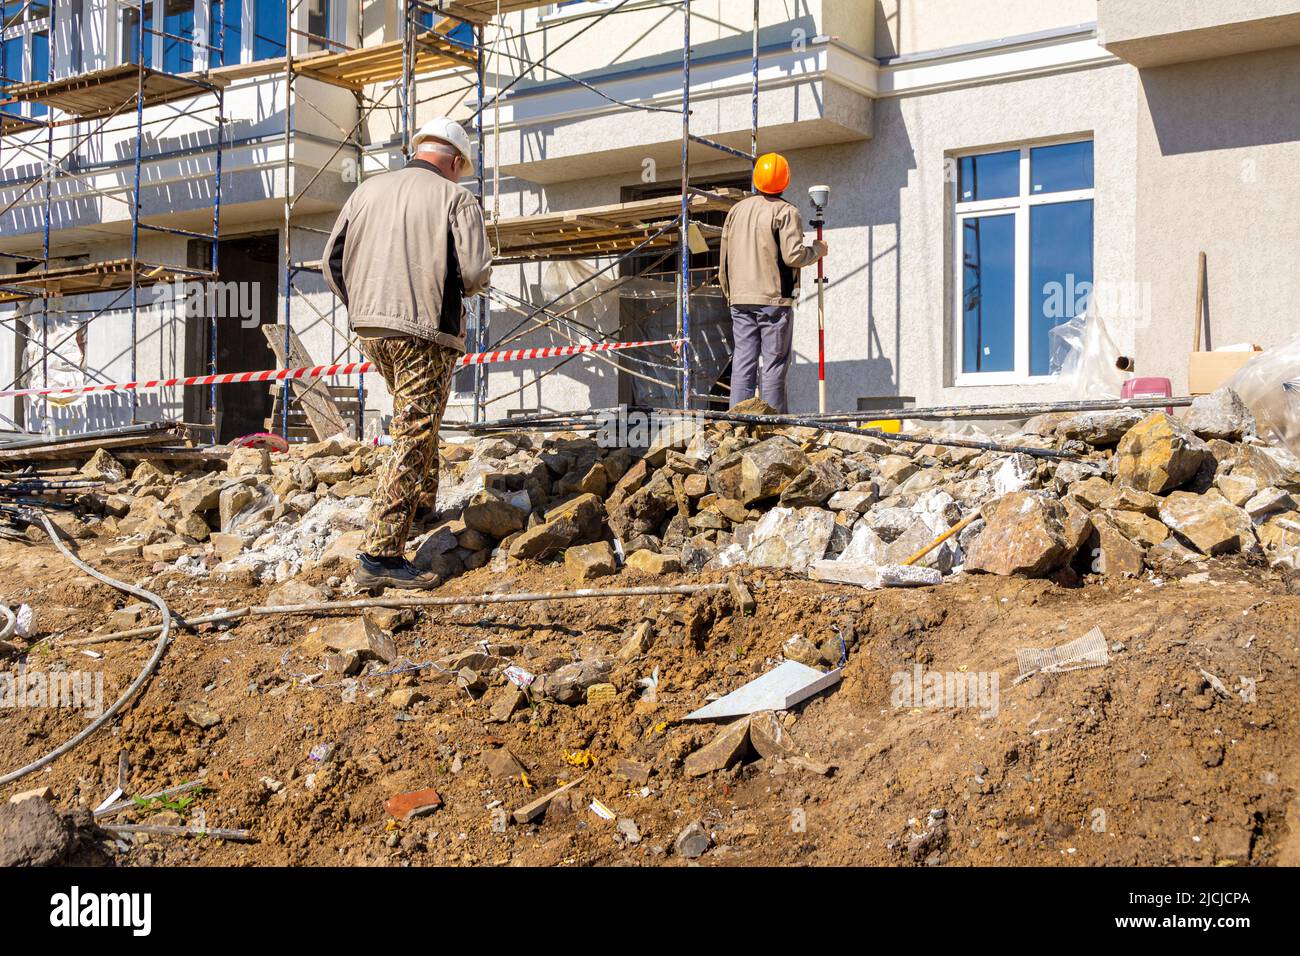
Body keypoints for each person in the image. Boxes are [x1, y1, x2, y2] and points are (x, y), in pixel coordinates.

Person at [323, 117, 492, 590]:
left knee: (419, 415)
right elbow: (476, 272)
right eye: (463, 168)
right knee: (413, 432)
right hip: (424, 332)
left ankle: (420, 504)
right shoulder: (456, 198)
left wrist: (364, 303)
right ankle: (381, 554)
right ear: (456, 162)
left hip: (372, 327)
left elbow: (331, 263)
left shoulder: (366, 192)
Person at [717, 152, 827, 413]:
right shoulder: (786, 211)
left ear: (756, 179)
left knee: (743, 359)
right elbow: (794, 256)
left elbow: (724, 259)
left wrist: (730, 293)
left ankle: (738, 421)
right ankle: (773, 422)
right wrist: (817, 250)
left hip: (740, 299)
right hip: (774, 300)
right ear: (785, 181)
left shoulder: (736, 211)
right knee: (774, 363)